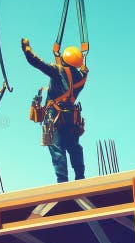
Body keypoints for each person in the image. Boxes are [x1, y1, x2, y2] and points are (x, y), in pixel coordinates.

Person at [21, 38, 88, 183]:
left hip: (55, 116)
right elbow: (73, 72)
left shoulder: (57, 71)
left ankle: (62, 180)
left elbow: (38, 63)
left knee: (56, 147)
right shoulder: (82, 78)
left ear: (63, 59)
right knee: (74, 146)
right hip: (72, 117)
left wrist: (27, 50)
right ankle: (80, 176)